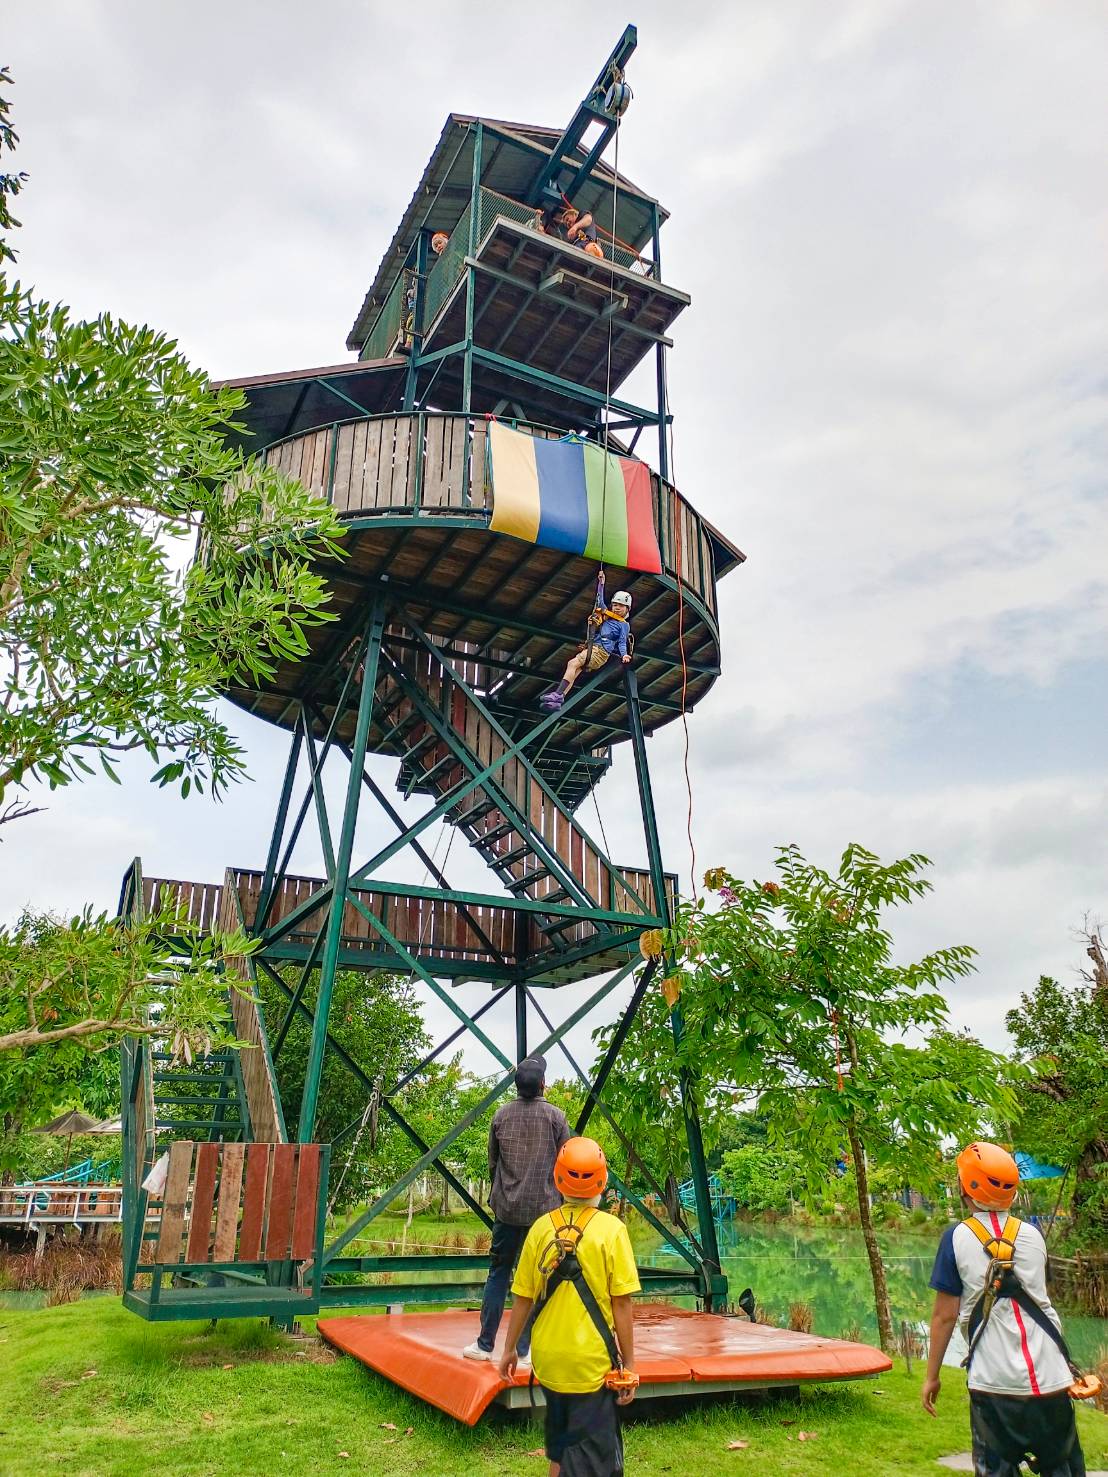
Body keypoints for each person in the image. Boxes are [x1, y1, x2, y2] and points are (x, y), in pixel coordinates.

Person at [922, 1141, 1087, 1477]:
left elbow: (944, 1316)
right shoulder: (1033, 1235)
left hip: (994, 1383)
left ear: (965, 1188)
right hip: (1052, 1377)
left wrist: (932, 1376)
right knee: (1061, 1469)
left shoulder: (955, 1238)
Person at [498, 1137, 639, 1477]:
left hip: (548, 1361)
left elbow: (522, 1298)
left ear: (557, 1178)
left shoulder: (540, 1228)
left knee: (561, 1452)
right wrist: (630, 1364)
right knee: (592, 1462)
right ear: (603, 1181)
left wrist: (508, 1351)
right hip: (589, 1365)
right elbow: (622, 1304)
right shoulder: (612, 1231)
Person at [463, 1054, 569, 1363]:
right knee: (538, 1277)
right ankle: (524, 1350)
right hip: (544, 1212)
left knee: (498, 1273)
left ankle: (485, 1345)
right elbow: (565, 1161)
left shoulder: (501, 1115)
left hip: (507, 1209)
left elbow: (493, 1162)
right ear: (542, 1085)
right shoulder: (556, 1117)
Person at [539, 590, 632, 712]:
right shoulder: (608, 618)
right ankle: (558, 700)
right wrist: (601, 583)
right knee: (575, 670)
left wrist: (624, 654)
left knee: (572, 664)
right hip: (594, 650)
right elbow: (600, 601)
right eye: (615, 605)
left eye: (620, 606)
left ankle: (558, 694)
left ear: (627, 608)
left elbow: (621, 641)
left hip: (599, 652)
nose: (617, 608)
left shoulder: (623, 625)